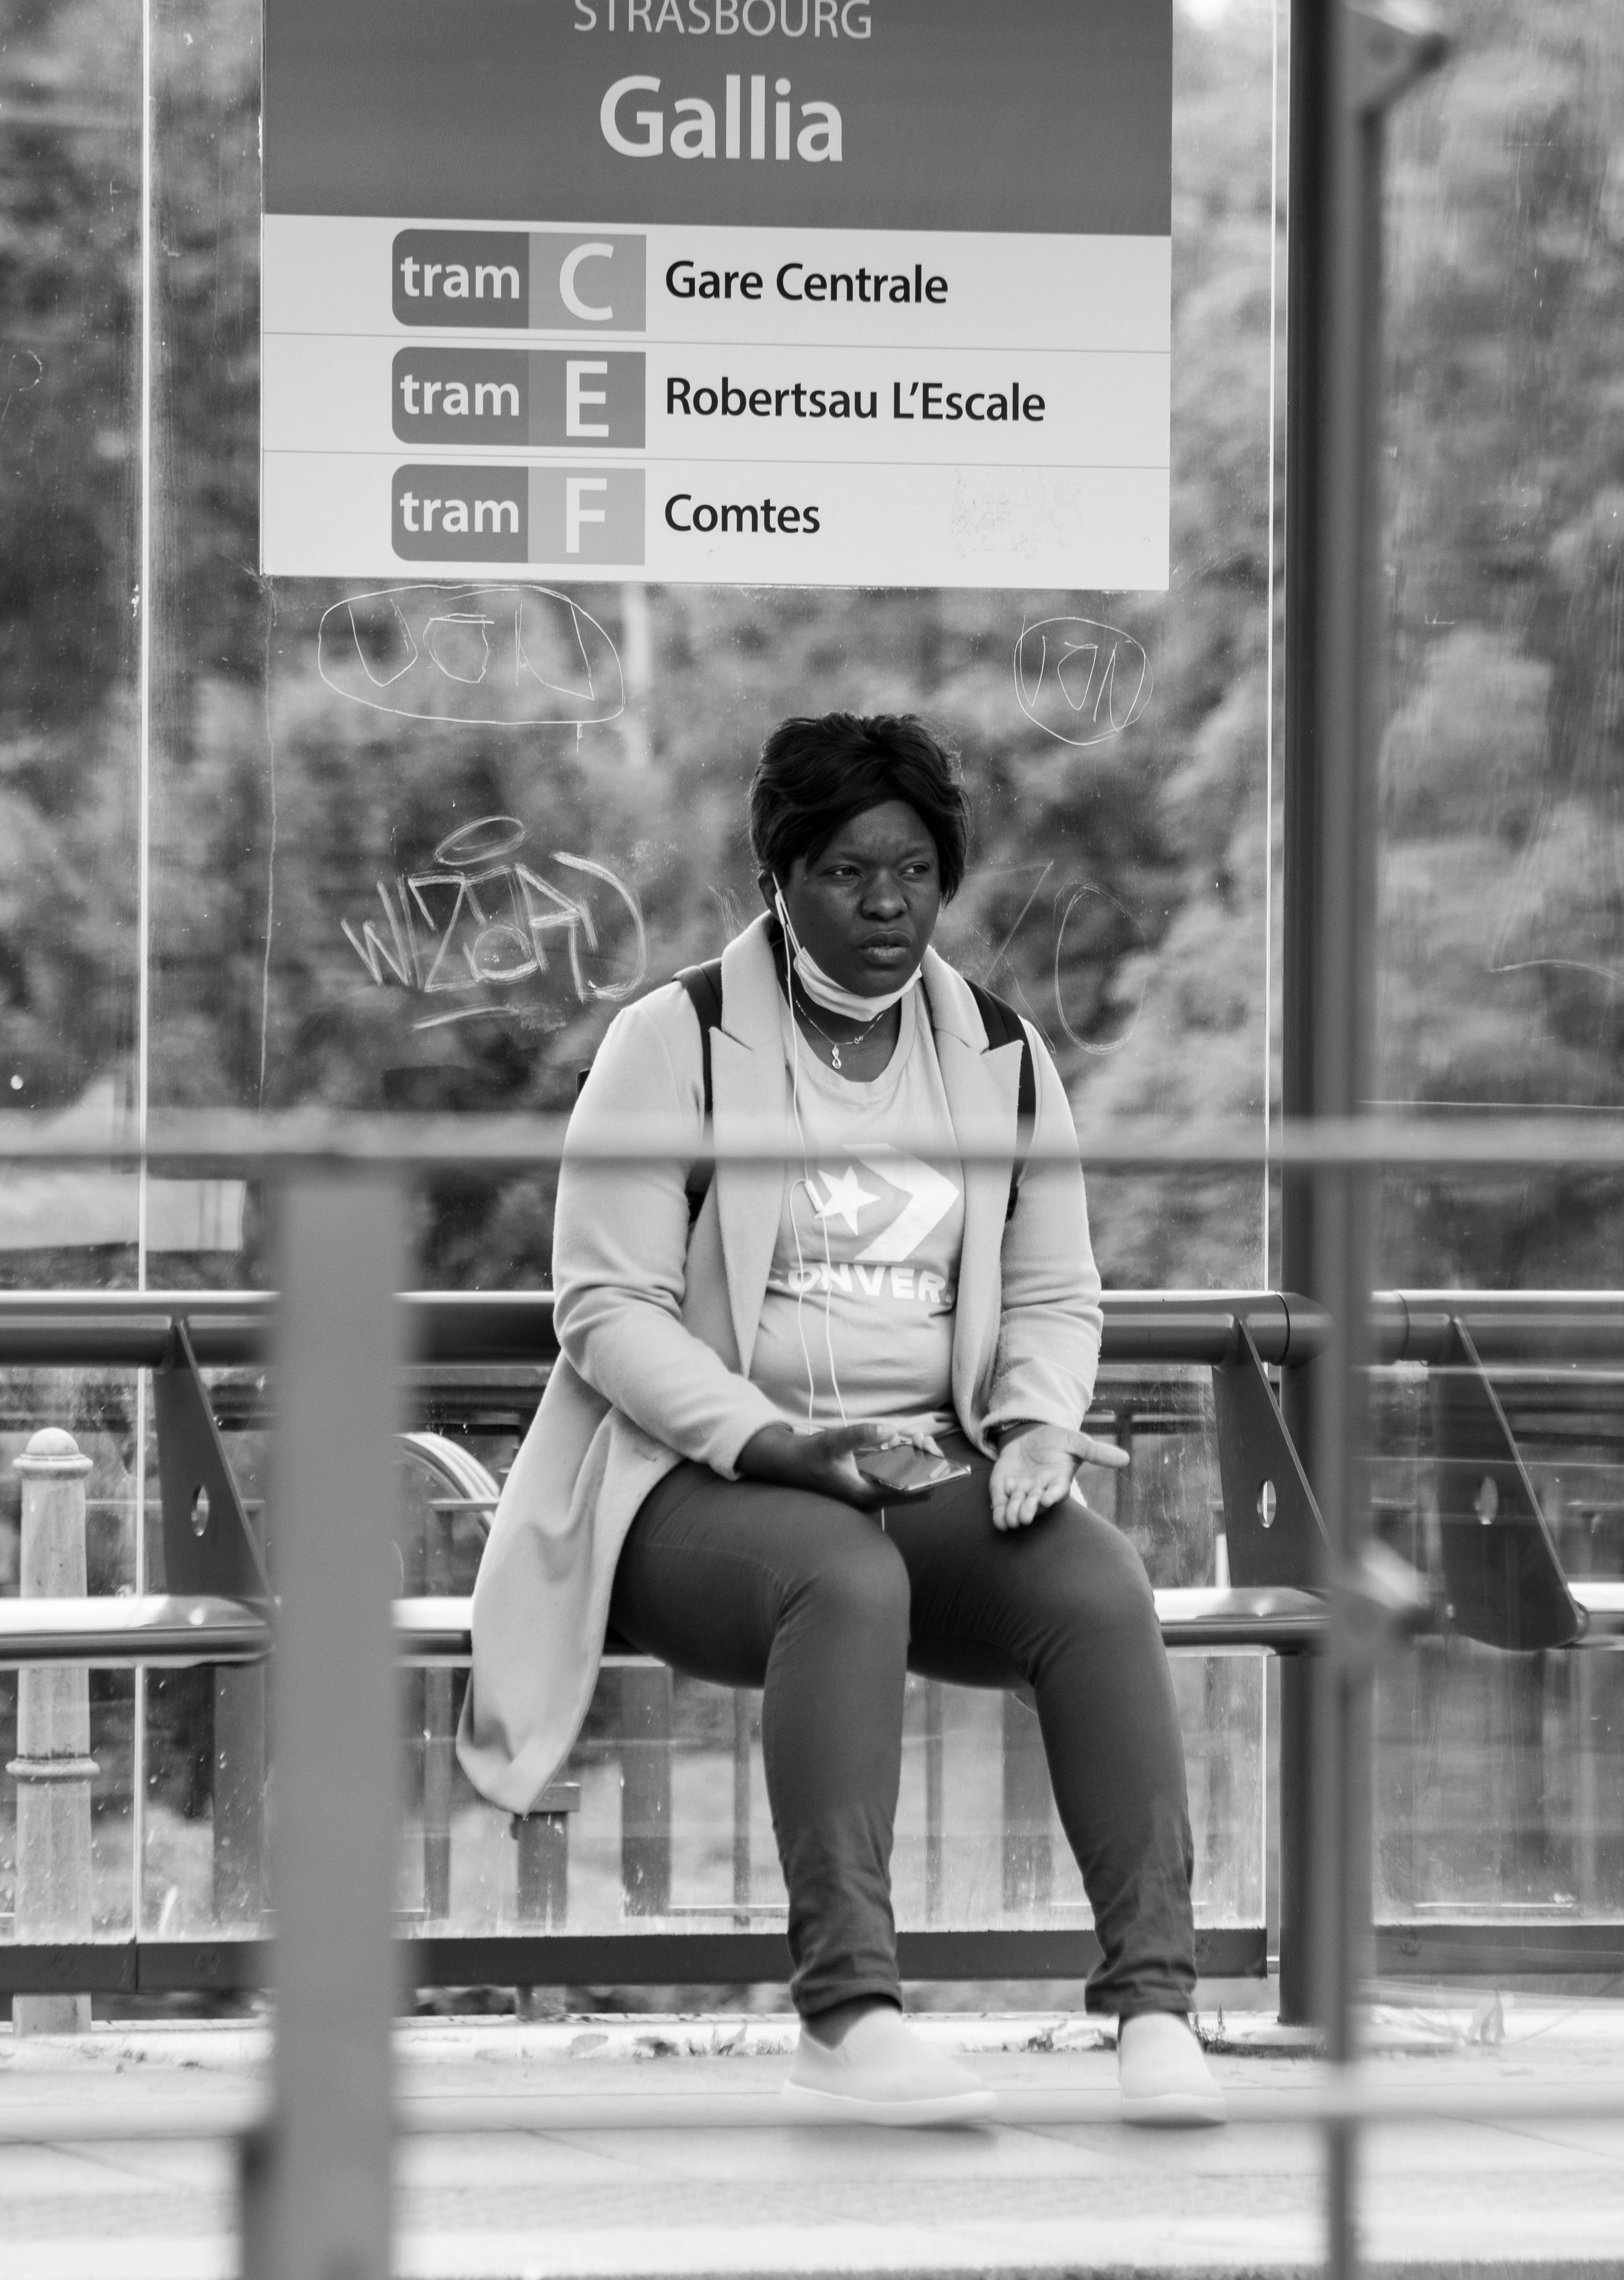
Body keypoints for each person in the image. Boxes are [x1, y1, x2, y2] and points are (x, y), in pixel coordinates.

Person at [459, 711, 1223, 2128]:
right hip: (695, 1484)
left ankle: (1156, 2006)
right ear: (778, 880)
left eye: (919, 874)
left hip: (924, 1464)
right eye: (849, 872)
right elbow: (605, 1307)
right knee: (840, 1568)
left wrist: (1040, 1426)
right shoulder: (671, 1042)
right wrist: (776, 1444)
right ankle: (848, 2012)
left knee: (1098, 1584)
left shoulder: (997, 1057)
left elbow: (1058, 1290)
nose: (887, 906)